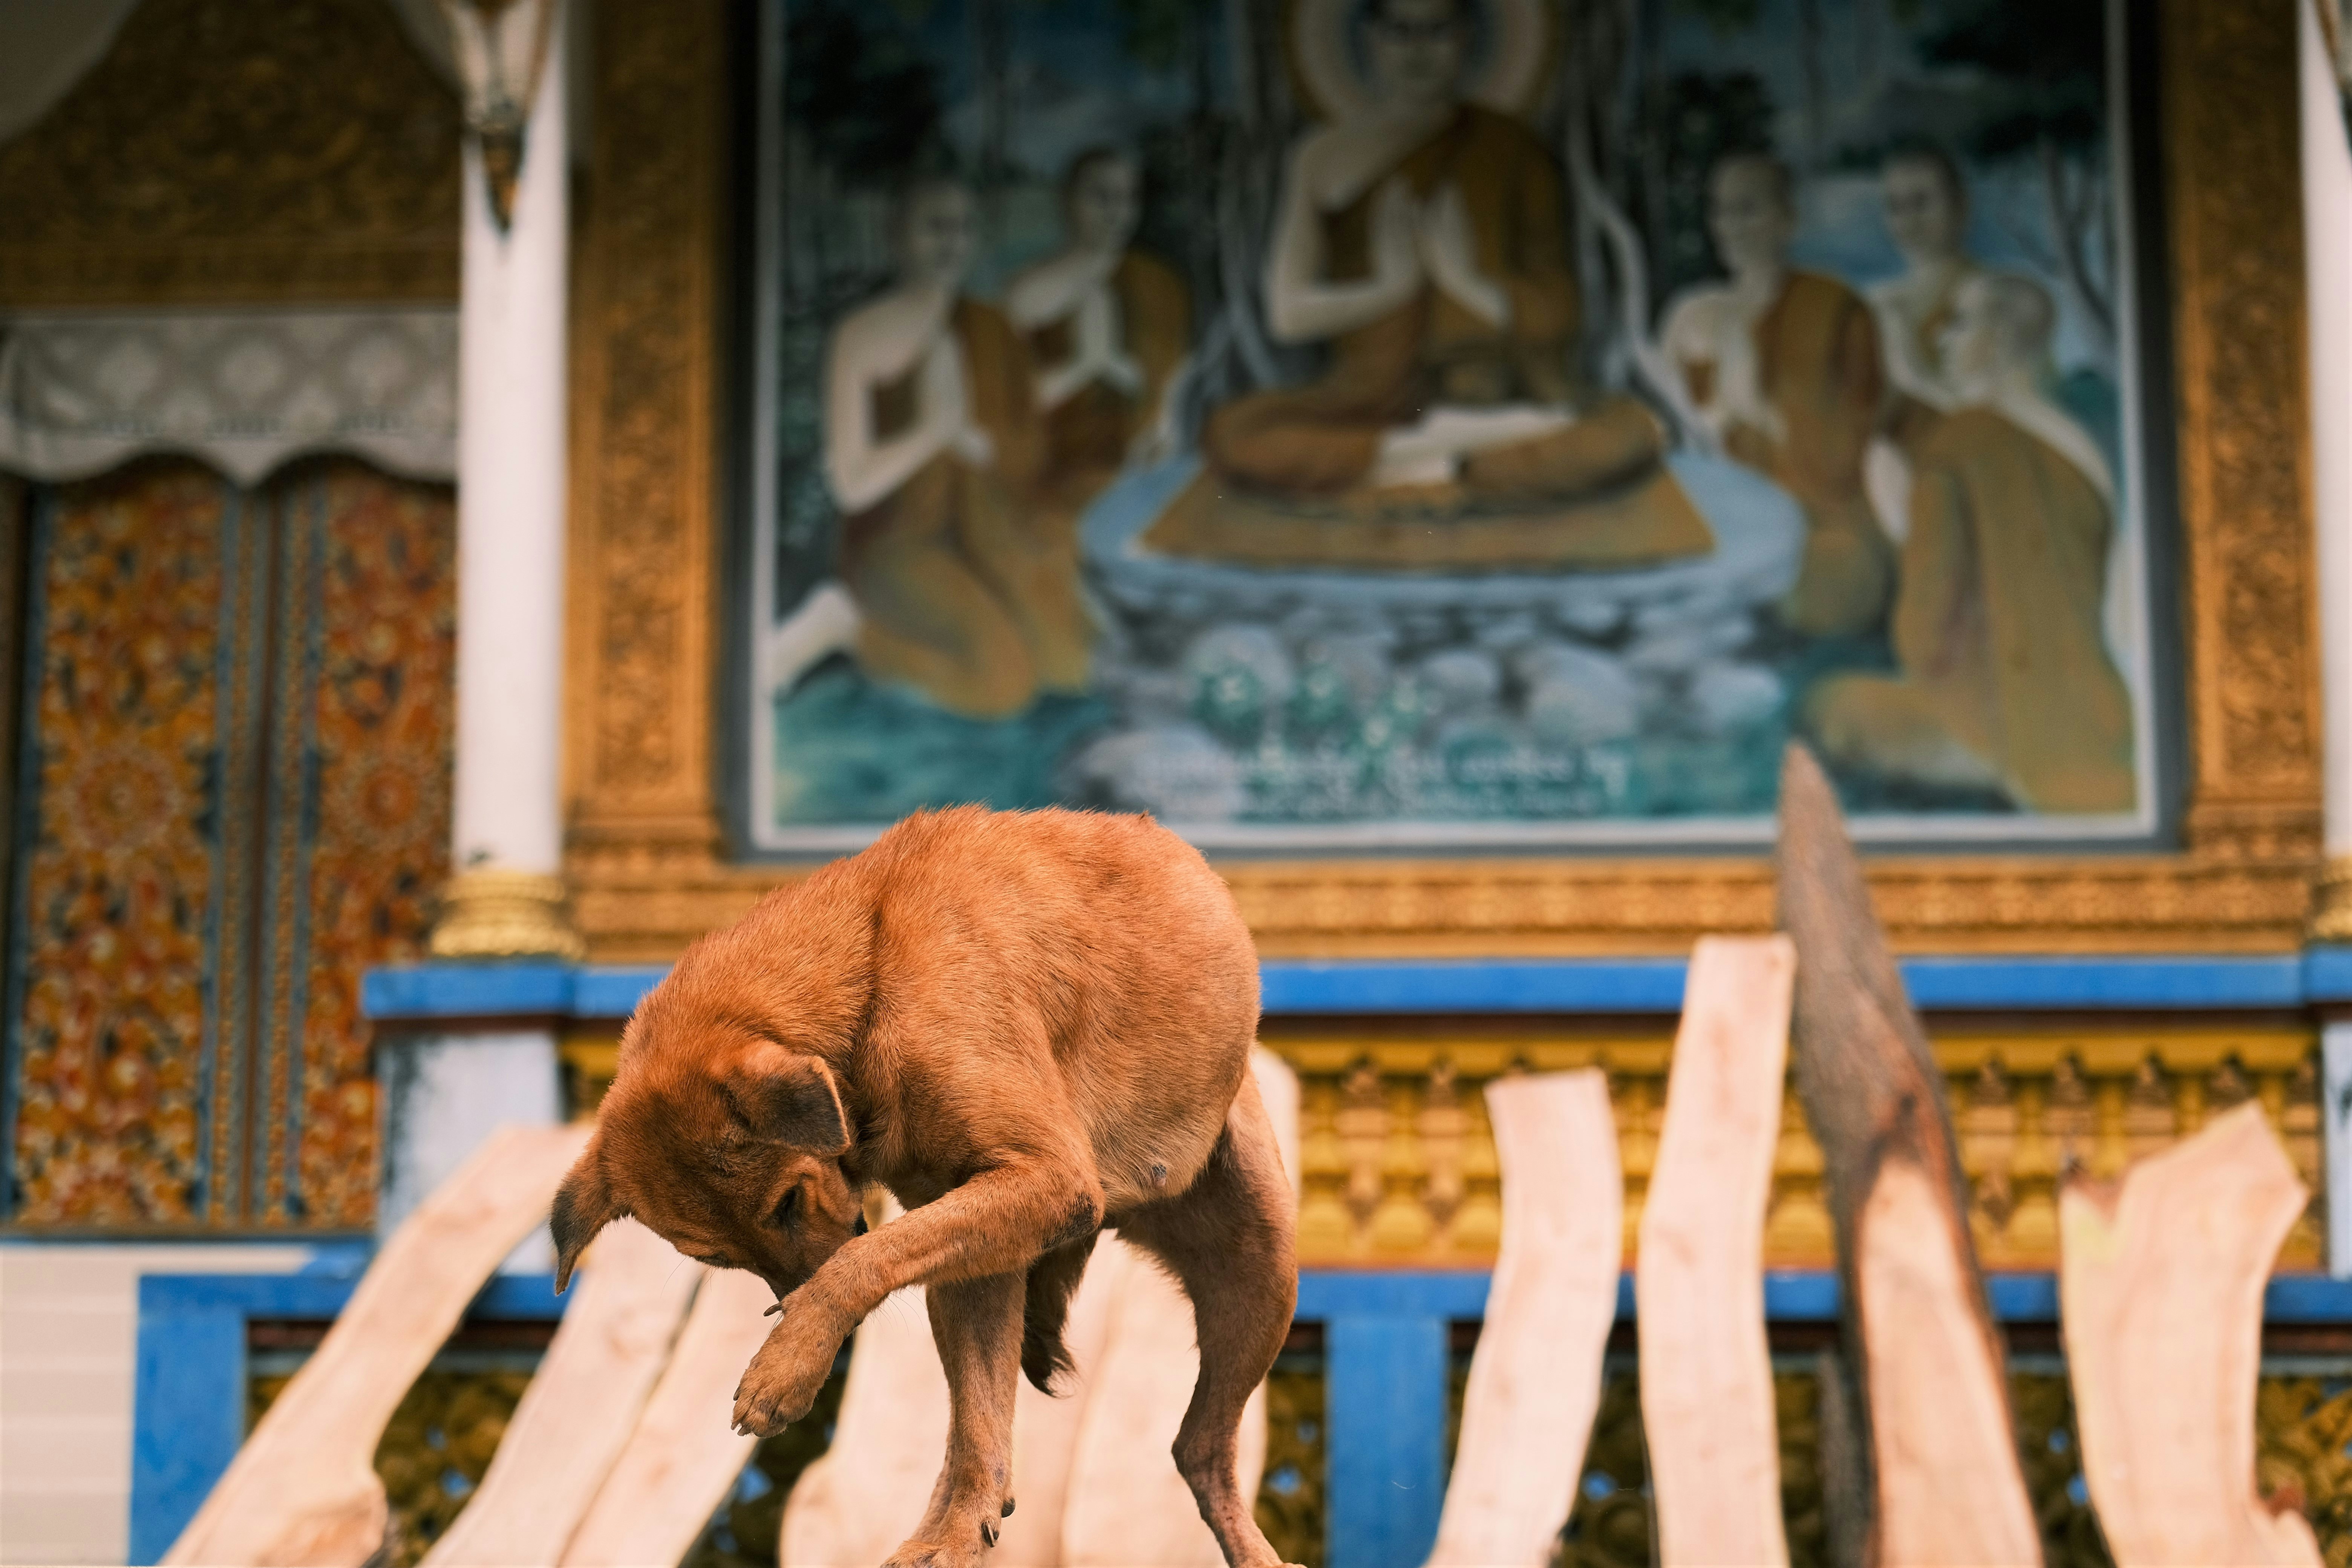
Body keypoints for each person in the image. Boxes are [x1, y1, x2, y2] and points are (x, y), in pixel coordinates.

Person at [1178, 0, 1704, 569]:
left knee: (1629, 433)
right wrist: (1388, 288)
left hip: (1495, 393)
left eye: (1437, 31)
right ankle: (1456, 456)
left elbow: (1560, 314)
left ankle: (1407, 463)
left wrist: (1466, 280)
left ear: (1466, 40)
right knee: (1235, 434)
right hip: (1364, 402)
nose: (1418, 50)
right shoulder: (1320, 156)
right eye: (1400, 31)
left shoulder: (1515, 150)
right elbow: (1288, 315)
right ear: (1370, 39)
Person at [1804, 273, 2136, 813]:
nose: (1942, 338)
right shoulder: (2079, 440)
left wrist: (1899, 518)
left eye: (1960, 324)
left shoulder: (1958, 447)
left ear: (1999, 339)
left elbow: (1925, 637)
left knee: (1831, 708)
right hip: (2105, 714)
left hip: (2006, 728)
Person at [818, 175, 1090, 718]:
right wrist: (935, 430)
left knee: (1069, 665)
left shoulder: (991, 325)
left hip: (985, 528)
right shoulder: (862, 334)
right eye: (936, 227)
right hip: (898, 548)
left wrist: (986, 455)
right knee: (1004, 683)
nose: (951, 243)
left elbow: (1025, 453)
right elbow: (850, 486)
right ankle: (847, 630)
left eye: (963, 229)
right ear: (898, 234)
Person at [1662, 152, 1893, 637]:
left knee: (1823, 590)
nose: (1730, 226)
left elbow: (1851, 450)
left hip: (1822, 522)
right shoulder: (1694, 315)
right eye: (1720, 211)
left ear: (1787, 218)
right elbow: (1678, 437)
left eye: (1748, 209)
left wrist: (1752, 408)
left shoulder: (1836, 309)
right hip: (1722, 517)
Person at [1002, 147, 1191, 516]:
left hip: (1140, 462)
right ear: (1068, 200)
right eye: (1101, 196)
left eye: (1127, 198)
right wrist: (1086, 365)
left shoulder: (1160, 284)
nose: (1115, 211)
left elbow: (1171, 389)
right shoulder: (1027, 293)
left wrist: (1159, 431)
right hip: (1055, 464)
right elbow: (1009, 405)